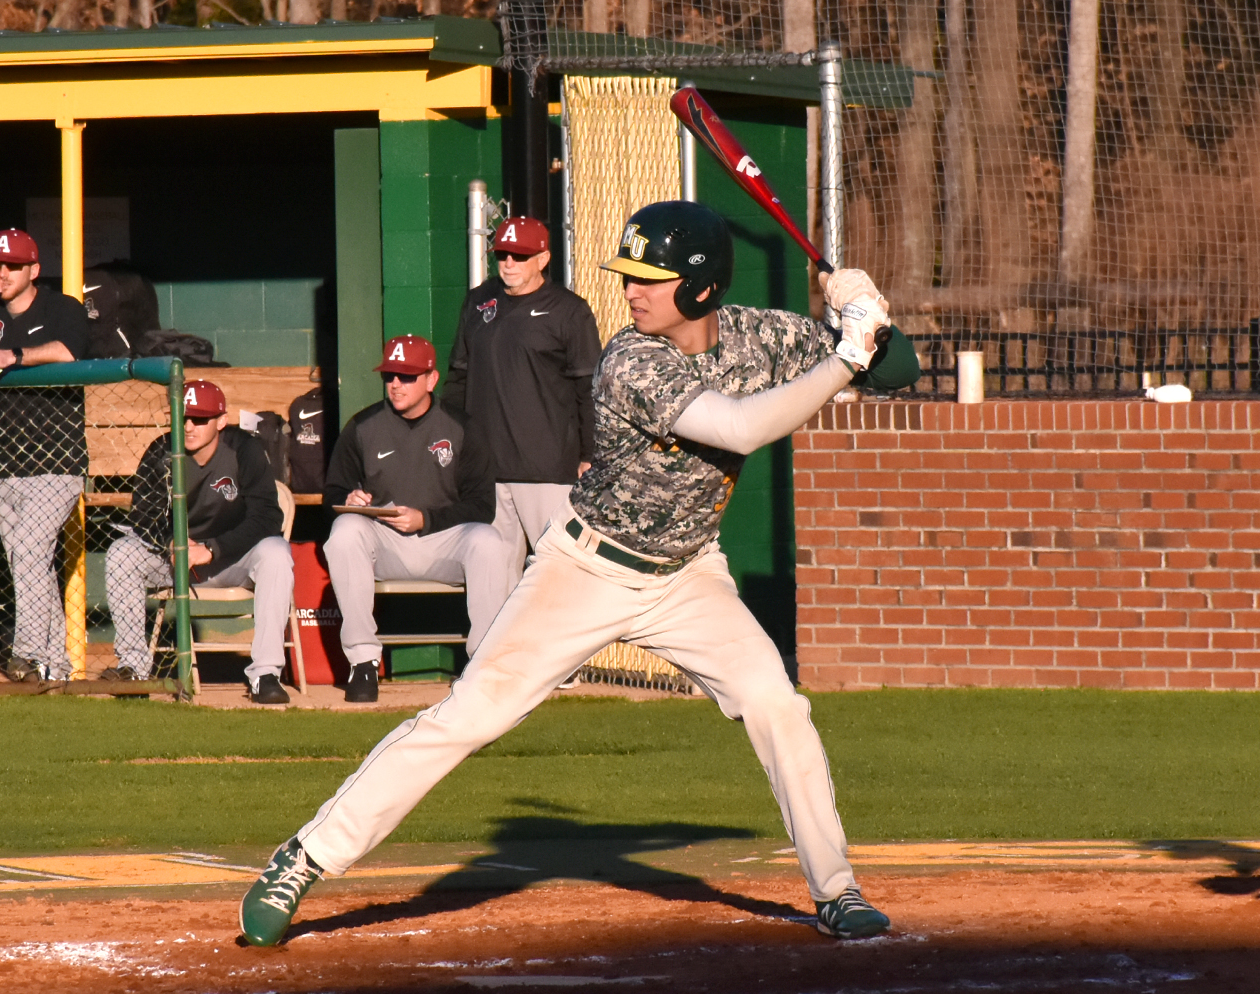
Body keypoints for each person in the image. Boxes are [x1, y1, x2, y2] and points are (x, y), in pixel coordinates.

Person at [237, 202, 898, 946]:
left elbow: (894, 367)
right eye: (630, 276)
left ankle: (837, 889)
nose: (631, 291)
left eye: (650, 279)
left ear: (702, 287)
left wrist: (864, 313)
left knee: (779, 706)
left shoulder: (760, 335)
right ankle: (305, 857)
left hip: (688, 576)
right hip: (586, 567)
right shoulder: (631, 359)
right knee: (470, 716)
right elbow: (741, 428)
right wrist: (846, 357)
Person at [0, 228, 90, 683]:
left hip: (58, 460)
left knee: (27, 553)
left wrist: (12, 355)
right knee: (30, 564)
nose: (2, 273)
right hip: (6, 464)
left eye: (13, 266)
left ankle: (25, 653)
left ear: (34, 270)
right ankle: (55, 667)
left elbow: (69, 351)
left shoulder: (62, 307)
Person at [322, 334, 505, 704]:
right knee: (345, 529)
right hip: (386, 541)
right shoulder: (363, 426)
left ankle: (483, 665)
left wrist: (426, 519)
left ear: (431, 379)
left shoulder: (461, 426)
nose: (395, 384)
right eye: (389, 375)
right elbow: (332, 494)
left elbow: (482, 506)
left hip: (443, 541)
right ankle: (363, 663)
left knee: (488, 541)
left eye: (406, 376)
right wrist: (348, 499)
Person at [103, 379, 294, 704]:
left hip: (231, 558)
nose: (188, 427)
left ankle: (265, 674)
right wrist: (173, 545)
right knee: (122, 552)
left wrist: (211, 549)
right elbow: (143, 516)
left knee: (276, 552)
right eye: (183, 418)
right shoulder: (161, 451)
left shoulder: (244, 450)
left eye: (200, 419)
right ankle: (133, 670)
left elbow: (267, 518)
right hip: (176, 558)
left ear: (221, 421)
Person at [439, 215, 602, 577]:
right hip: (486, 470)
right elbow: (458, 379)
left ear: (543, 259)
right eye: (503, 254)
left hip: (547, 469)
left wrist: (590, 454)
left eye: (520, 255)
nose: (509, 263)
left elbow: (588, 389)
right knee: (491, 577)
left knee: (558, 573)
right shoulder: (479, 301)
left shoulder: (568, 311)